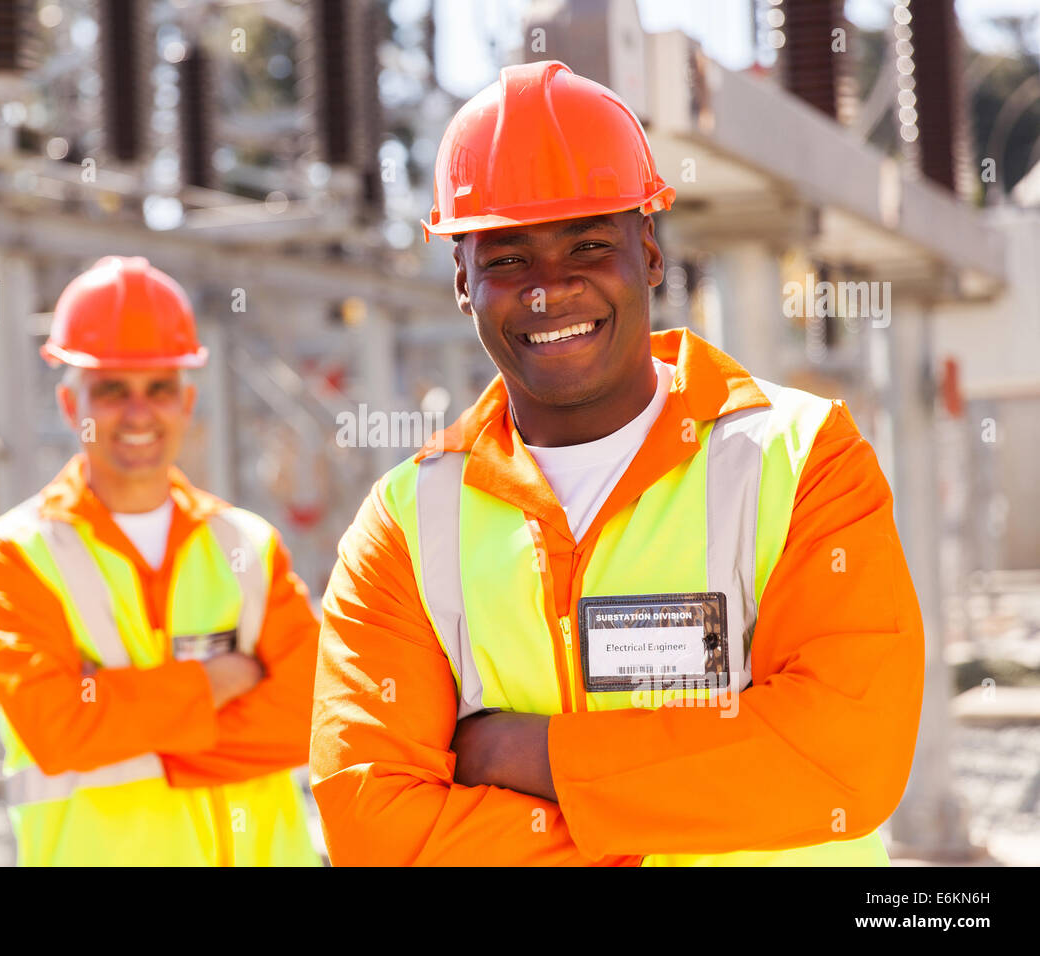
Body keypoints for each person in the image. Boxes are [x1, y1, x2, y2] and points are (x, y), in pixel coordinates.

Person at [309, 60, 924, 865]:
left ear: (651, 253)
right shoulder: (404, 526)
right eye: (505, 259)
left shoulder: (806, 460)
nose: (549, 289)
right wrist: (671, 803)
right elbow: (375, 826)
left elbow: (842, 762)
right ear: (462, 282)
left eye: (588, 244)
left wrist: (524, 755)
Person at [0, 256, 320, 866]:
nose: (139, 413)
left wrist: (133, 724)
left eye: (159, 389)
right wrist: (214, 683)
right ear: (72, 409)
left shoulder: (248, 546)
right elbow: (59, 728)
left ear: (188, 402)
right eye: (112, 390)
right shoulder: (11, 559)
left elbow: (307, 713)